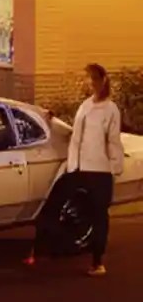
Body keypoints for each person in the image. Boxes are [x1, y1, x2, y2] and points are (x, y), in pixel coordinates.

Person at [58, 64, 124, 275]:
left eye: (93, 79)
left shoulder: (110, 109)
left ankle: (98, 260)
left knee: (99, 215)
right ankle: (74, 247)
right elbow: (76, 136)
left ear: (102, 81)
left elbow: (113, 141)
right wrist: (72, 165)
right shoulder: (85, 106)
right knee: (75, 211)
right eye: (88, 79)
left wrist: (115, 166)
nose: (90, 83)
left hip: (100, 170)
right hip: (80, 167)